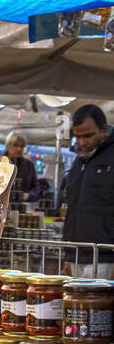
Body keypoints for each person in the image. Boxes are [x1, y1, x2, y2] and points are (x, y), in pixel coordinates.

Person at [62, 104, 114, 258]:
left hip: (105, 254)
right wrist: (68, 253)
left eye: (88, 136)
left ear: (103, 130)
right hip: (76, 252)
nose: (82, 142)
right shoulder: (79, 161)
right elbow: (72, 209)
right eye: (77, 136)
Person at [4, 132, 39, 202]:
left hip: (21, 207)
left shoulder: (29, 165)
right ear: (8, 146)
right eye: (15, 145)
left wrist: (29, 195)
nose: (19, 149)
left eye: (22, 146)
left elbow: (36, 188)